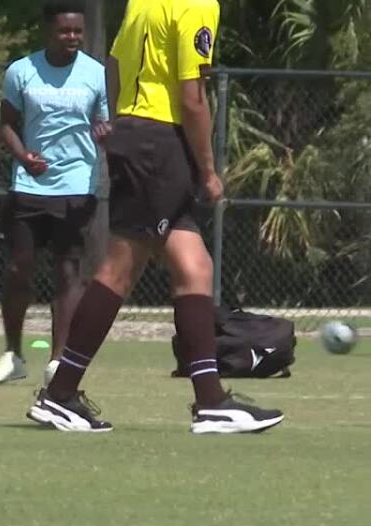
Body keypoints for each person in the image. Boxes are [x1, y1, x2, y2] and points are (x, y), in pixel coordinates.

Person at [27, 0, 284, 434]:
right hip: (159, 144)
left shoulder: (143, 3)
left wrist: (120, 122)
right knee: (120, 268)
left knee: (195, 265)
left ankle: (211, 401)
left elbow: (112, 65)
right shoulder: (199, 6)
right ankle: (60, 394)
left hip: (137, 135)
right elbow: (192, 97)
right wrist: (207, 170)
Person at [0, 0, 108, 387]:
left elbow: (104, 122)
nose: (72, 38)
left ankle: (58, 361)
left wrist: (103, 132)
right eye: (65, 31)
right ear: (48, 31)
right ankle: (12, 355)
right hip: (30, 185)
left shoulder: (96, 74)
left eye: (78, 32)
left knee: (69, 272)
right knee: (20, 267)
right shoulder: (21, 71)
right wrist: (23, 155)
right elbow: (6, 125)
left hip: (76, 187)